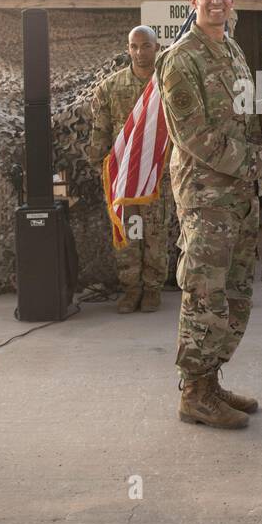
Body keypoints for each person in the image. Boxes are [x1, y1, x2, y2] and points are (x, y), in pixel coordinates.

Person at [156, 0, 262, 429]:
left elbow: (240, 114)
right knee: (204, 292)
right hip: (205, 199)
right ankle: (194, 392)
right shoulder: (181, 59)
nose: (216, 1)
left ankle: (211, 381)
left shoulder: (232, 51)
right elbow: (195, 137)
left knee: (234, 292)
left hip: (239, 195)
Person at [88, 25, 172, 313]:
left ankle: (152, 290)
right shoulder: (111, 87)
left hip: (158, 175)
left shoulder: (168, 85)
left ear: (156, 47)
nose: (139, 52)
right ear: (128, 49)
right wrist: (98, 161)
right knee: (128, 231)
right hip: (124, 176)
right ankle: (131, 289)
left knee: (155, 234)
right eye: (134, 46)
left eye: (146, 46)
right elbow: (100, 128)